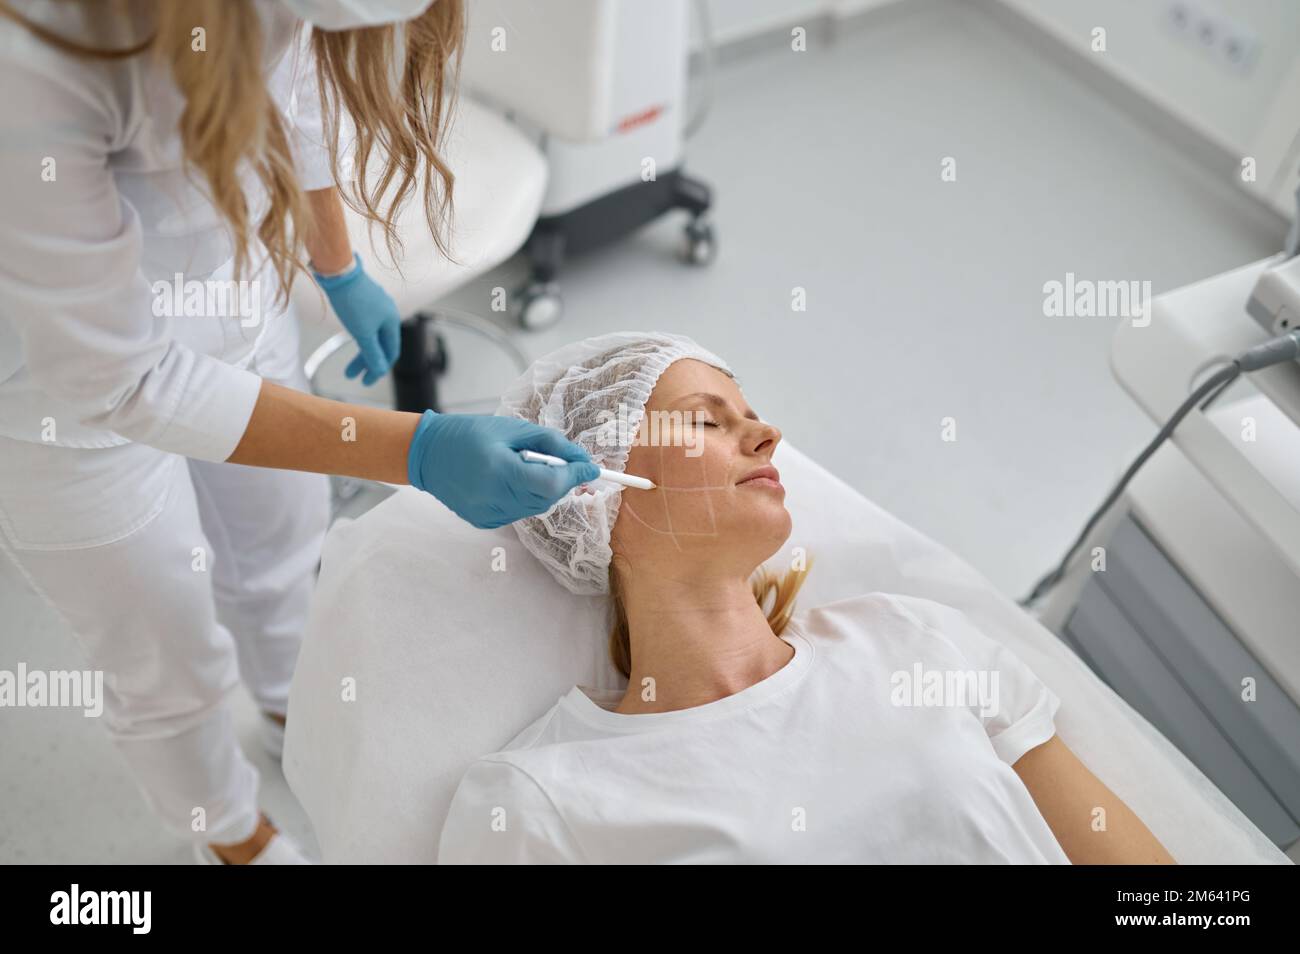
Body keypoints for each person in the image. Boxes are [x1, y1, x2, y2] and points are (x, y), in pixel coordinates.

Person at [0, 0, 596, 864]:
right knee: (166, 657)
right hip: (65, 406)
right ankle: (229, 832)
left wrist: (338, 265)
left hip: (234, 300)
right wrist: (412, 449)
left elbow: (293, 92)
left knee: (282, 551)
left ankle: (290, 703)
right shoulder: (40, 53)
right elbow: (119, 378)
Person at [436, 333, 1175, 864]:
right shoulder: (540, 802)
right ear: (594, 487)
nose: (767, 434)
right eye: (706, 419)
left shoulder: (913, 640)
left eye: (749, 413)